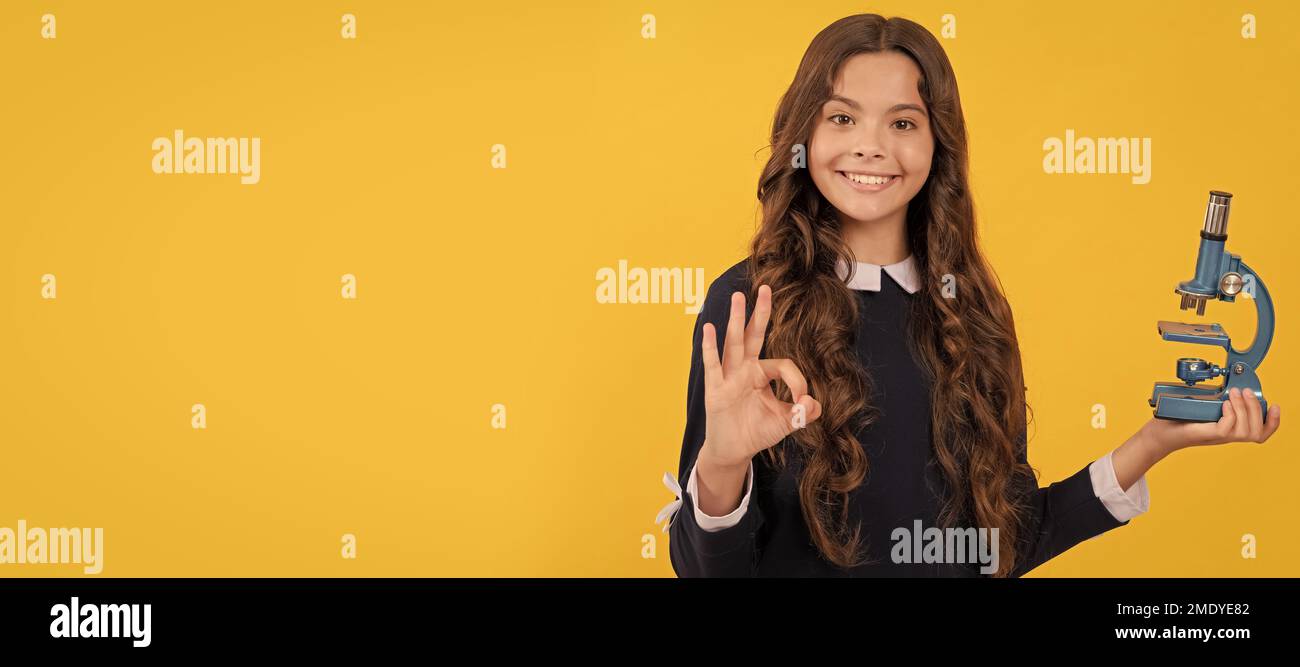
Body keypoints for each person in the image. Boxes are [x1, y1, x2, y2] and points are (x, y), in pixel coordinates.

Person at [661, 14, 1281, 577]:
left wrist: (1155, 441)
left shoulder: (974, 312)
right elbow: (705, 571)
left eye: (902, 122)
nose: (871, 145)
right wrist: (721, 464)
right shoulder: (747, 305)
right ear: (806, 133)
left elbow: (1004, 543)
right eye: (842, 117)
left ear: (939, 145)